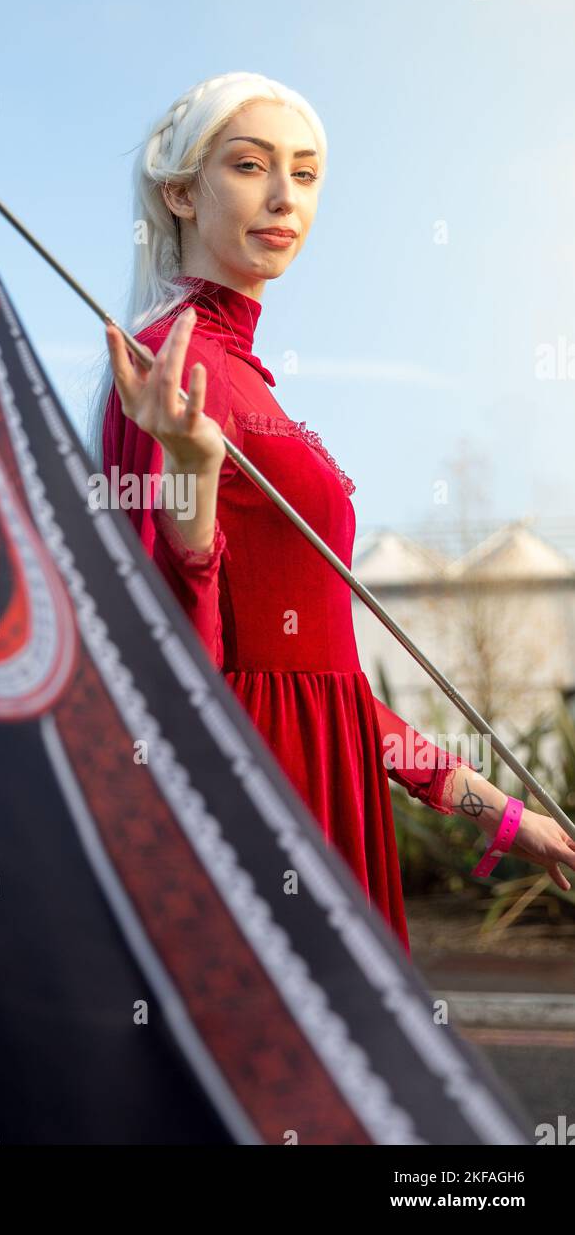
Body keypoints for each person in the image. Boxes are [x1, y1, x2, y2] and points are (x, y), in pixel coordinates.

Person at [90, 71, 575, 956]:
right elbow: (162, 654)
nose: (283, 197)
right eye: (249, 165)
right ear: (179, 192)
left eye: (306, 174)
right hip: (252, 800)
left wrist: (503, 814)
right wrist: (191, 484)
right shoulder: (166, 370)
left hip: (328, 780)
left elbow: (330, 686)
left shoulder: (241, 375)